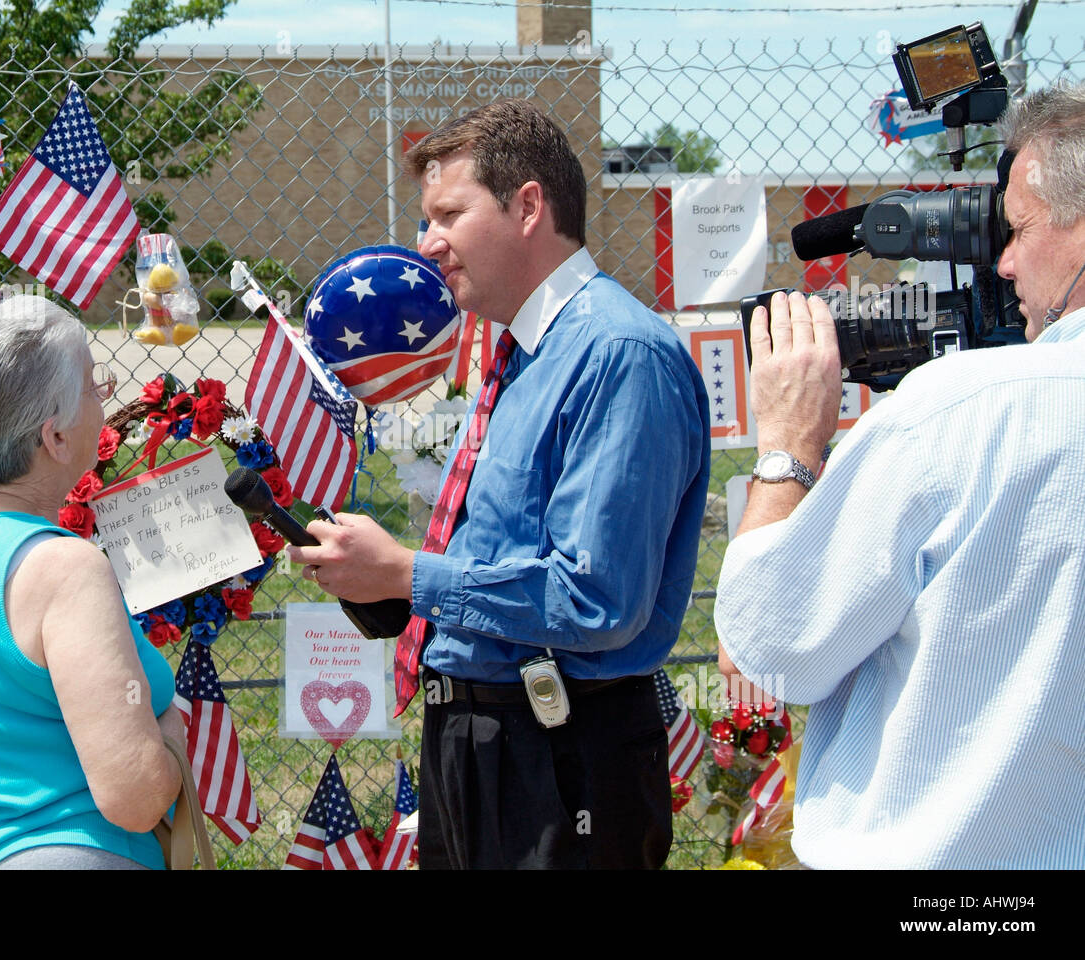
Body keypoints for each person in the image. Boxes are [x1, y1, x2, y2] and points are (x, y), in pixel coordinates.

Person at [288, 99, 711, 869]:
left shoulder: (617, 353)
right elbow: (506, 556)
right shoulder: (523, 355)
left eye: (449, 213)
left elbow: (598, 600)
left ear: (527, 207)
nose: (428, 244)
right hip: (483, 748)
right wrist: (380, 581)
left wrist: (410, 573)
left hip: (558, 756)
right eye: (426, 220)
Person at [714, 82, 1085, 868]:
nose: (1007, 261)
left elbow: (766, 654)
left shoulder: (958, 414)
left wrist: (787, 449)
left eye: (1015, 230)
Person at [0, 295, 185, 870]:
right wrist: (173, 739)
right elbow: (136, 799)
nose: (106, 399)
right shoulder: (63, 568)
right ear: (56, 440)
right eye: (96, 385)